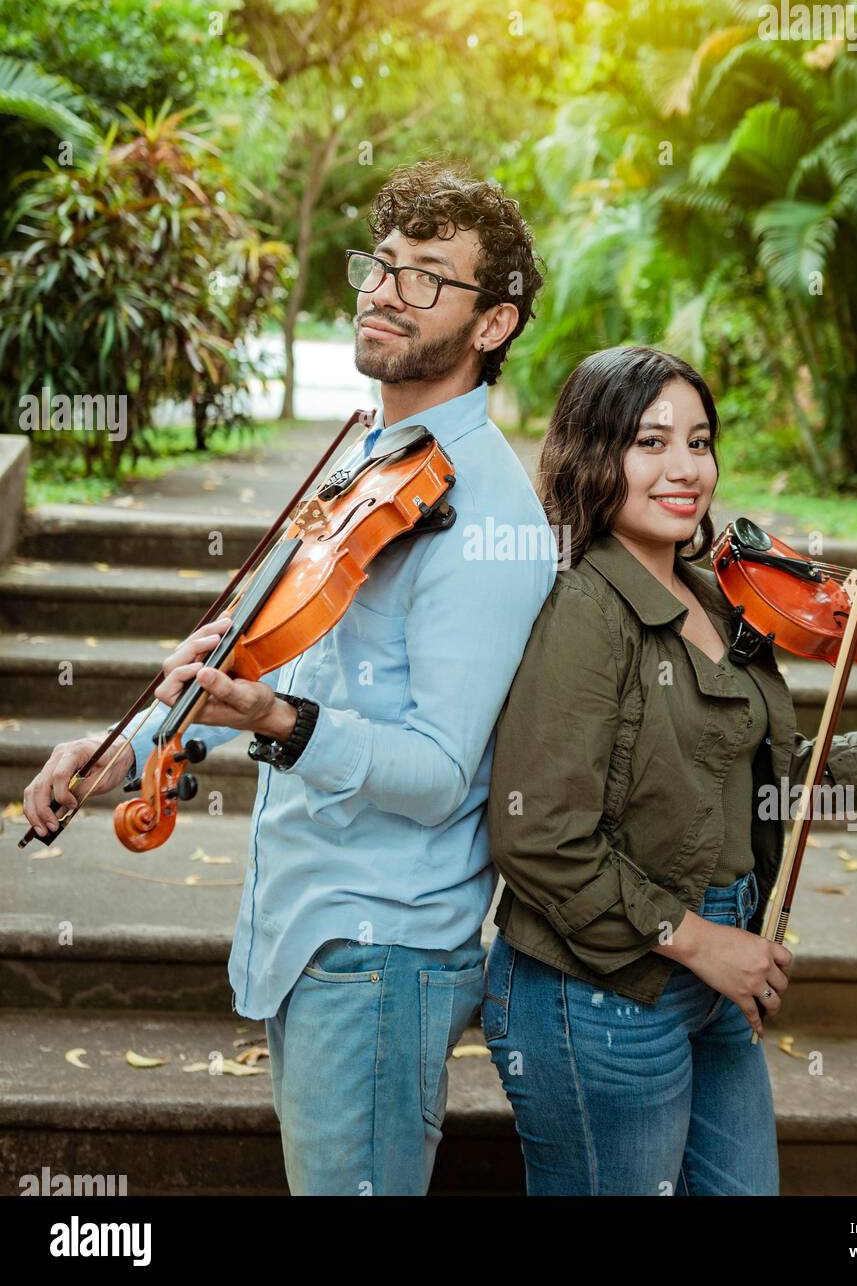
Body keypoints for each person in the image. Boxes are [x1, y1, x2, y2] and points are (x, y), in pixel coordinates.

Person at [23, 160, 556, 1196]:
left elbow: (444, 773)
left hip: (379, 950)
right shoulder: (366, 459)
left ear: (494, 324)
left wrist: (274, 716)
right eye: (381, 265)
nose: (384, 291)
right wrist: (125, 750)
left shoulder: (485, 515)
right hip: (316, 932)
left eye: (426, 278)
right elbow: (256, 645)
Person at [482, 344, 857, 1197]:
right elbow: (537, 836)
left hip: (718, 960)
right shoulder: (587, 608)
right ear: (594, 454)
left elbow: (781, 778)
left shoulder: (716, 596)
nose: (684, 468)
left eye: (699, 442)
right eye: (651, 442)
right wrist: (705, 945)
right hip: (601, 992)